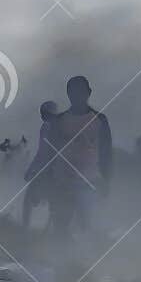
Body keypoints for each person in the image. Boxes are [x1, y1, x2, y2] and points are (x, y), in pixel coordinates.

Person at [51, 75, 112, 235]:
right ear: (68, 94)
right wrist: (47, 180)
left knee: (86, 225)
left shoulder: (99, 120)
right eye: (73, 92)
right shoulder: (59, 121)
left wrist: (106, 180)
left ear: (88, 93)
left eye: (81, 92)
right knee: (61, 225)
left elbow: (106, 153)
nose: (77, 96)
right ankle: (58, 257)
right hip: (62, 181)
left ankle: (85, 258)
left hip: (89, 182)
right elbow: (50, 152)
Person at [21, 100, 60, 228]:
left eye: (42, 113)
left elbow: (43, 152)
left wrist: (31, 170)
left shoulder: (46, 126)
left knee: (29, 199)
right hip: (63, 170)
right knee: (56, 204)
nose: (41, 116)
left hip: (49, 170)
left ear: (46, 113)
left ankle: (25, 227)